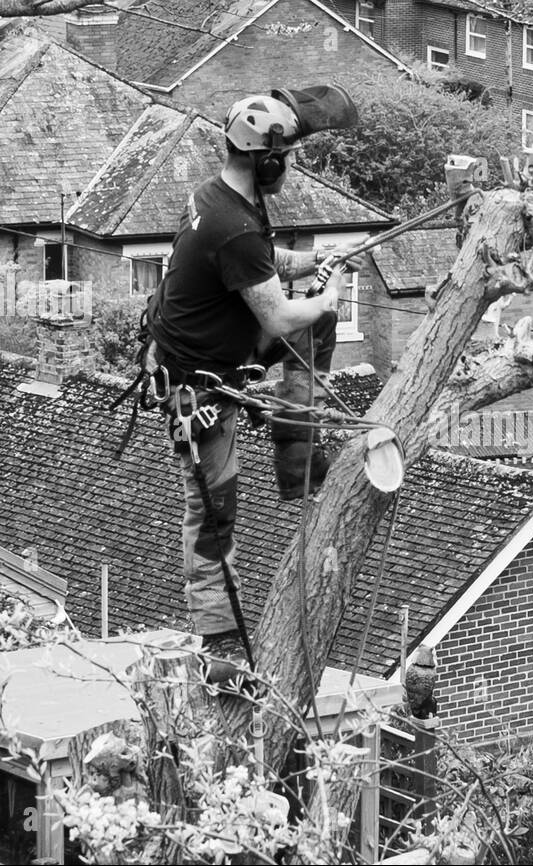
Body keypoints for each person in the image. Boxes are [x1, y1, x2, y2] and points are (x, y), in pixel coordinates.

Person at [143, 88, 364, 675]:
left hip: (218, 356)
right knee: (214, 508)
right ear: (267, 161)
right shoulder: (232, 224)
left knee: (313, 325)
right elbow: (279, 316)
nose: (290, 166)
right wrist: (329, 298)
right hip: (200, 389)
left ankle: (299, 454)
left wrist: (315, 262)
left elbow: (258, 266)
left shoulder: (220, 198)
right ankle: (219, 644)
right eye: (287, 157)